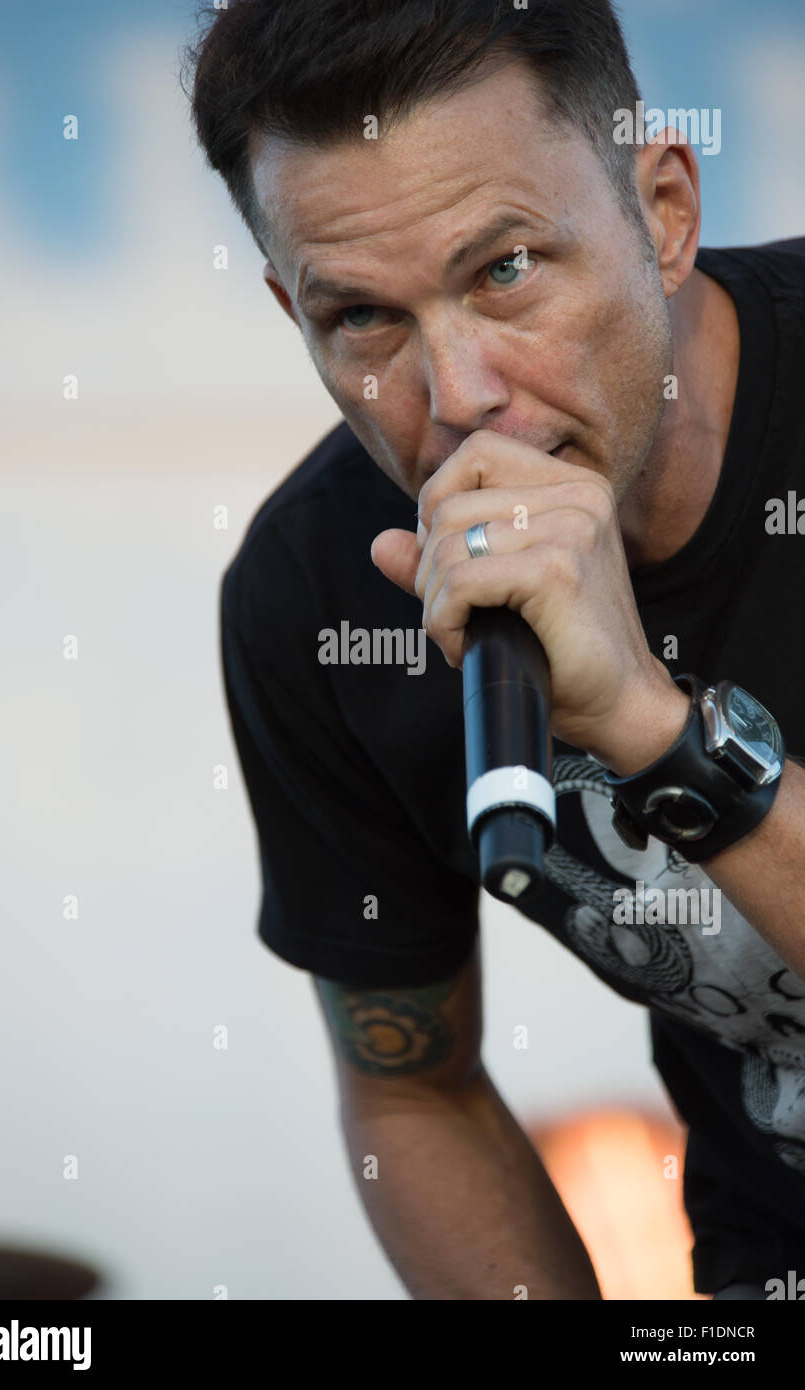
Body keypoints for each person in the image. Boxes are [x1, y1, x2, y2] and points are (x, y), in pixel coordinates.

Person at [184, 0, 805, 1300]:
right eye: (360, 317)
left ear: (664, 209)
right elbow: (413, 1089)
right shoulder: (318, 590)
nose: (459, 392)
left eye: (505, 269)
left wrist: (652, 725)